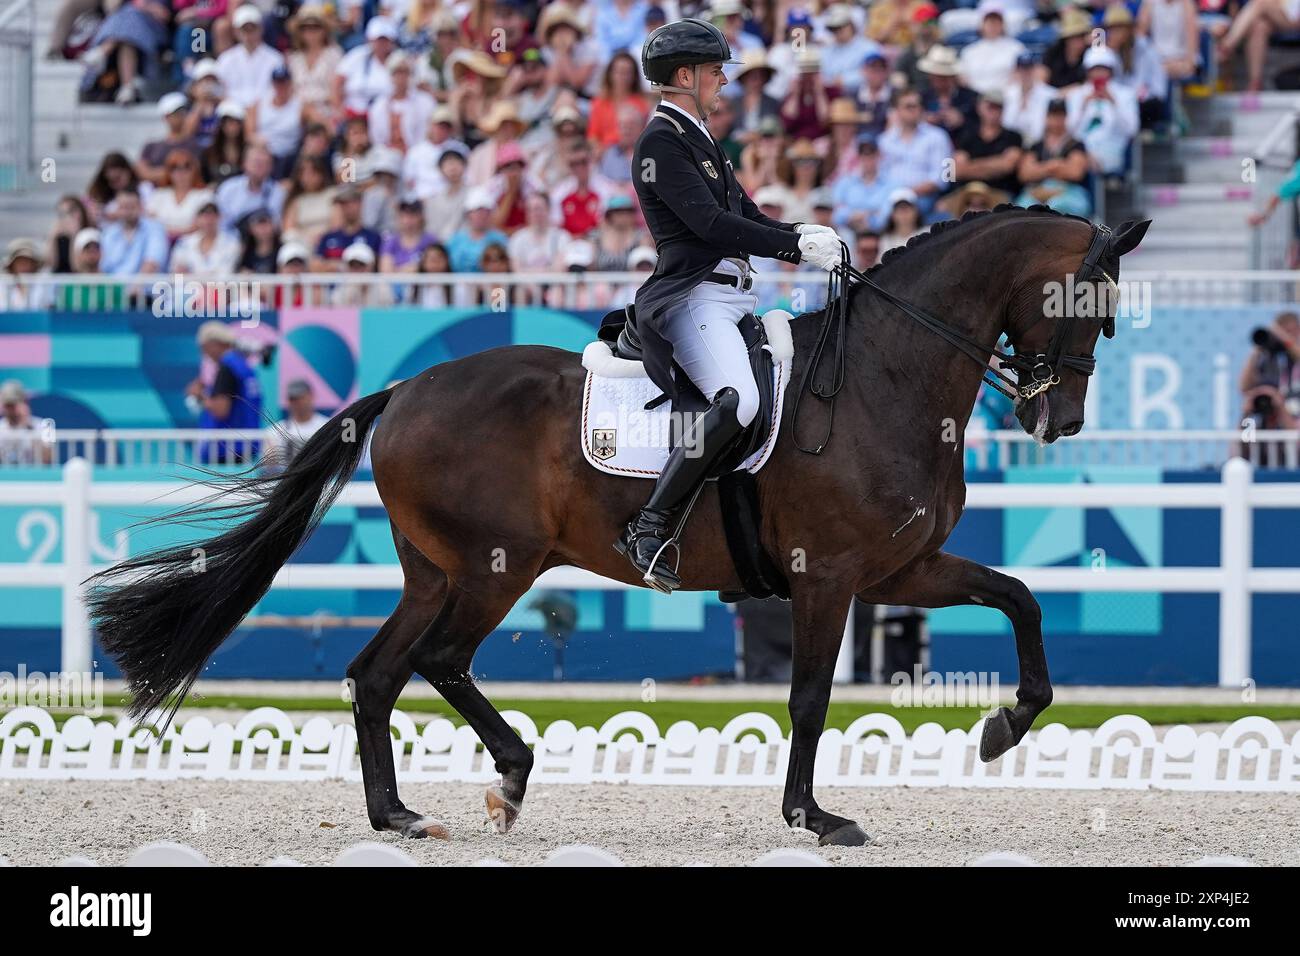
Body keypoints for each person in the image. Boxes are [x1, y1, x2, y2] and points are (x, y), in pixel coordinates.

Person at [617, 18, 840, 591]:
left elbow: (747, 217)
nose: (723, 81)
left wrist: (801, 231)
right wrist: (792, 246)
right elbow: (710, 224)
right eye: (715, 71)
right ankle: (650, 527)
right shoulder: (660, 141)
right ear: (684, 76)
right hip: (695, 295)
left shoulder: (704, 141)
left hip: (735, 297)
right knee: (737, 401)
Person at [187, 321, 262, 466]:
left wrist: (199, 394)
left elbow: (221, 410)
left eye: (204, 347)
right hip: (244, 445)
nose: (204, 353)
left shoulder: (227, 367)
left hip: (226, 449)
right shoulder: (243, 366)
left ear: (216, 343)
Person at [264, 379, 329, 471]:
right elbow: (269, 466)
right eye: (293, 399)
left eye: (301, 397)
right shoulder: (275, 431)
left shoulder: (327, 427)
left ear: (311, 396)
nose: (297, 402)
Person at [0, 380, 53, 466]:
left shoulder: (45, 425)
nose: (10, 409)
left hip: (34, 477)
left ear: (25, 402)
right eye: (7, 405)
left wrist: (28, 426)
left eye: (13, 404)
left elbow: (48, 459)